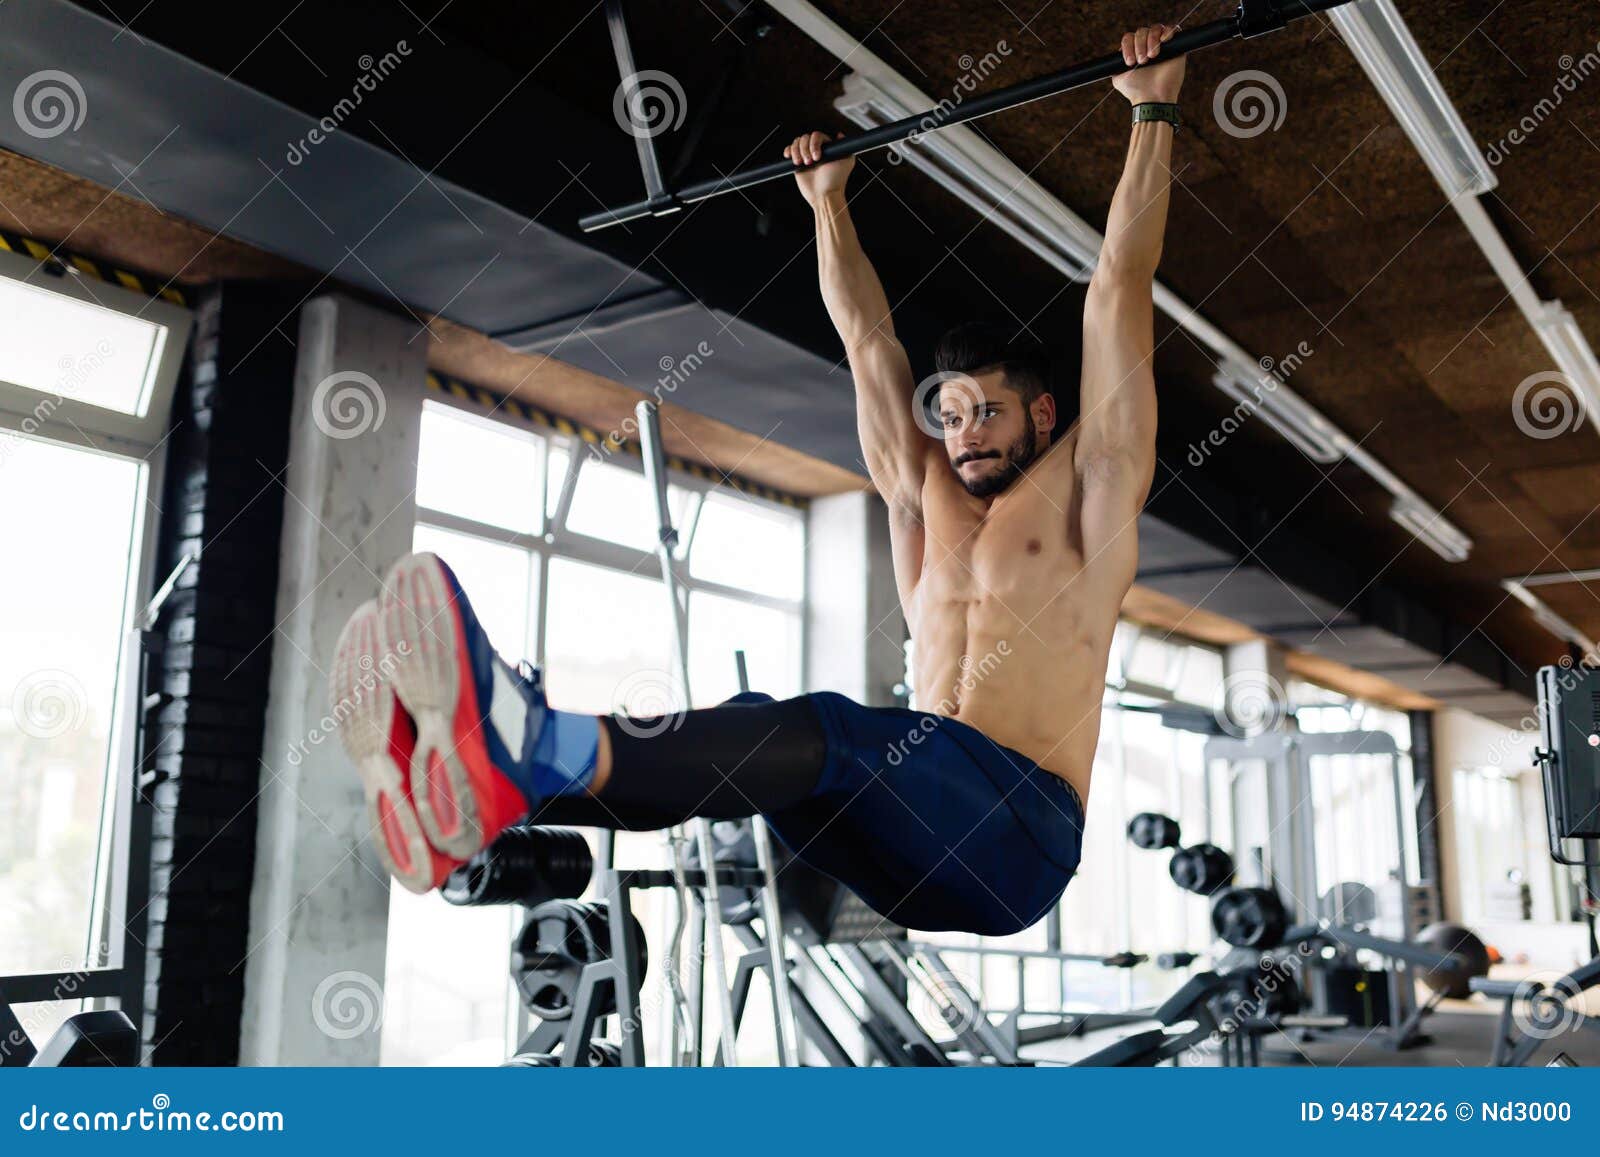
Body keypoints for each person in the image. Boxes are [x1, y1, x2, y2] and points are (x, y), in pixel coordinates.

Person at [333, 23, 1181, 935]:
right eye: (953, 414)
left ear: (1044, 417)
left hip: (1023, 836)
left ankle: (531, 741)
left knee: (836, 731)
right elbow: (866, 342)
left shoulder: (1089, 495)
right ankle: (498, 792)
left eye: (990, 414)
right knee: (753, 728)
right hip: (915, 844)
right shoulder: (922, 501)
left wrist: (1154, 110)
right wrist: (828, 204)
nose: (964, 434)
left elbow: (1117, 288)